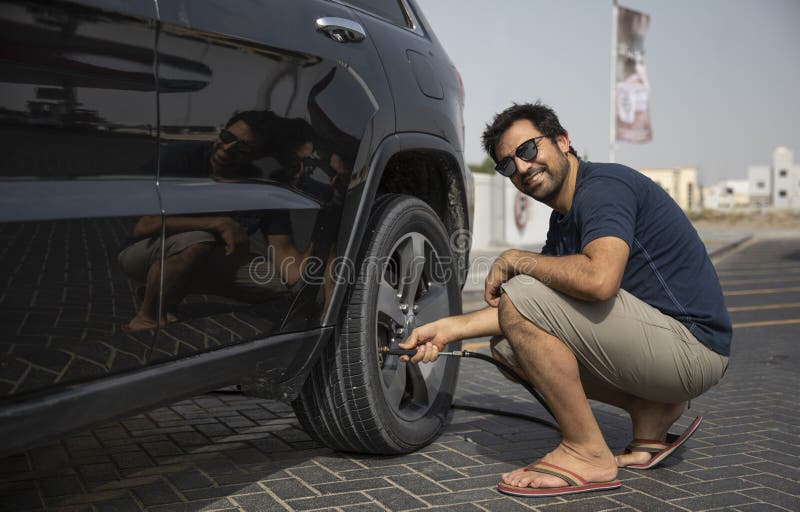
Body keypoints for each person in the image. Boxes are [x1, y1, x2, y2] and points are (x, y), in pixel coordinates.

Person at [399, 102, 731, 497]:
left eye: (527, 150)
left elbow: (599, 281)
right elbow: (534, 308)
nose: (521, 168)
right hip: (666, 349)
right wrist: (448, 329)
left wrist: (515, 260)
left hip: (691, 348)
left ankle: (586, 452)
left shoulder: (603, 189)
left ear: (562, 141)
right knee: (508, 348)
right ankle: (650, 412)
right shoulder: (564, 220)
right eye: (507, 165)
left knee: (522, 287)